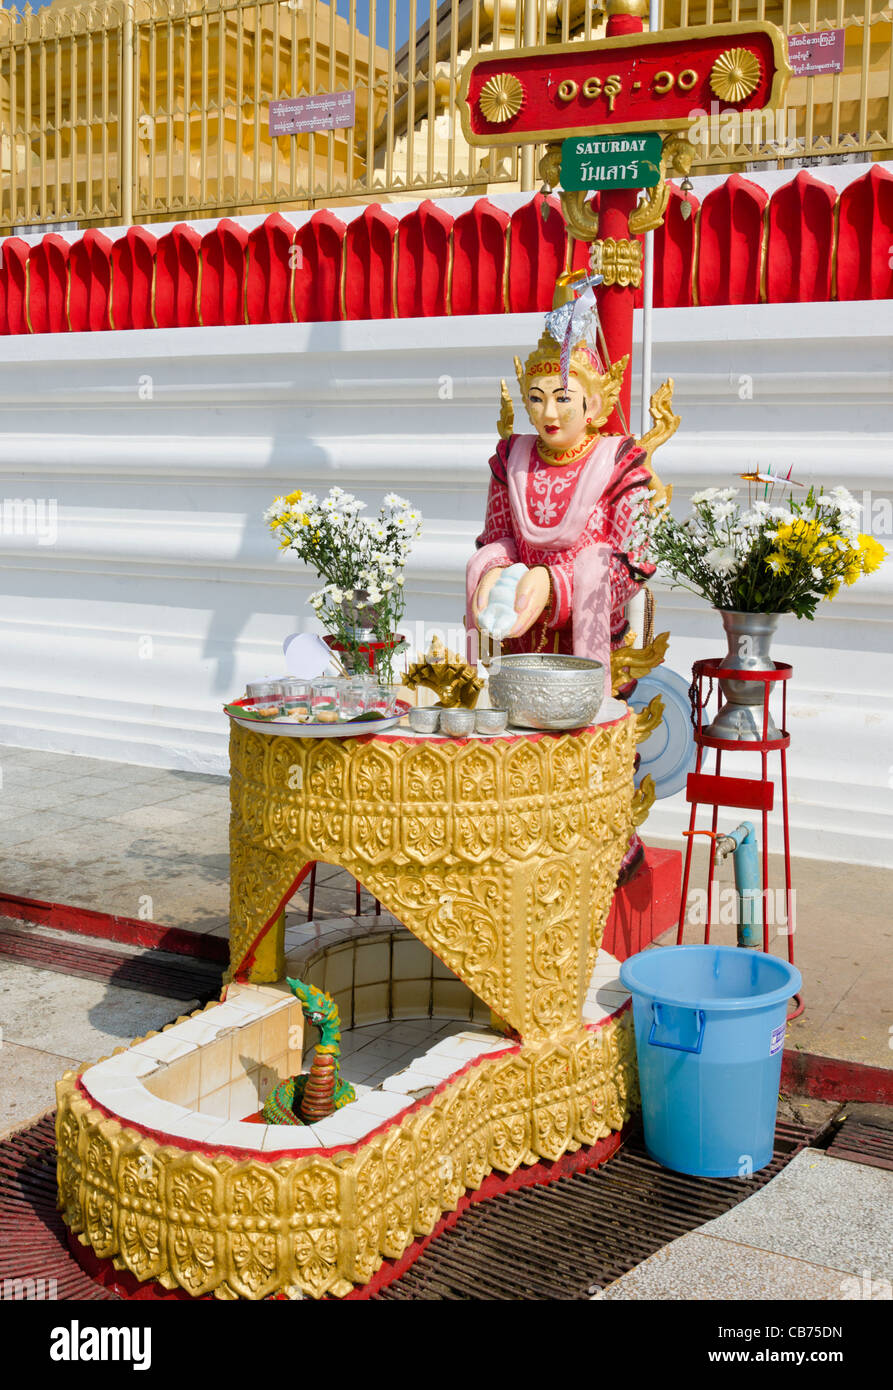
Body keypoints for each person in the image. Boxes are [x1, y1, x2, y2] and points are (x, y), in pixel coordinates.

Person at [466, 325, 656, 675]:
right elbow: (497, 540)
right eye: (537, 399)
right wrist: (491, 570)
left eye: (563, 398)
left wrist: (556, 585)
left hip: (590, 646)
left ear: (592, 404)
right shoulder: (511, 459)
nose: (548, 414)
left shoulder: (620, 464)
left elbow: (634, 562)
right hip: (515, 638)